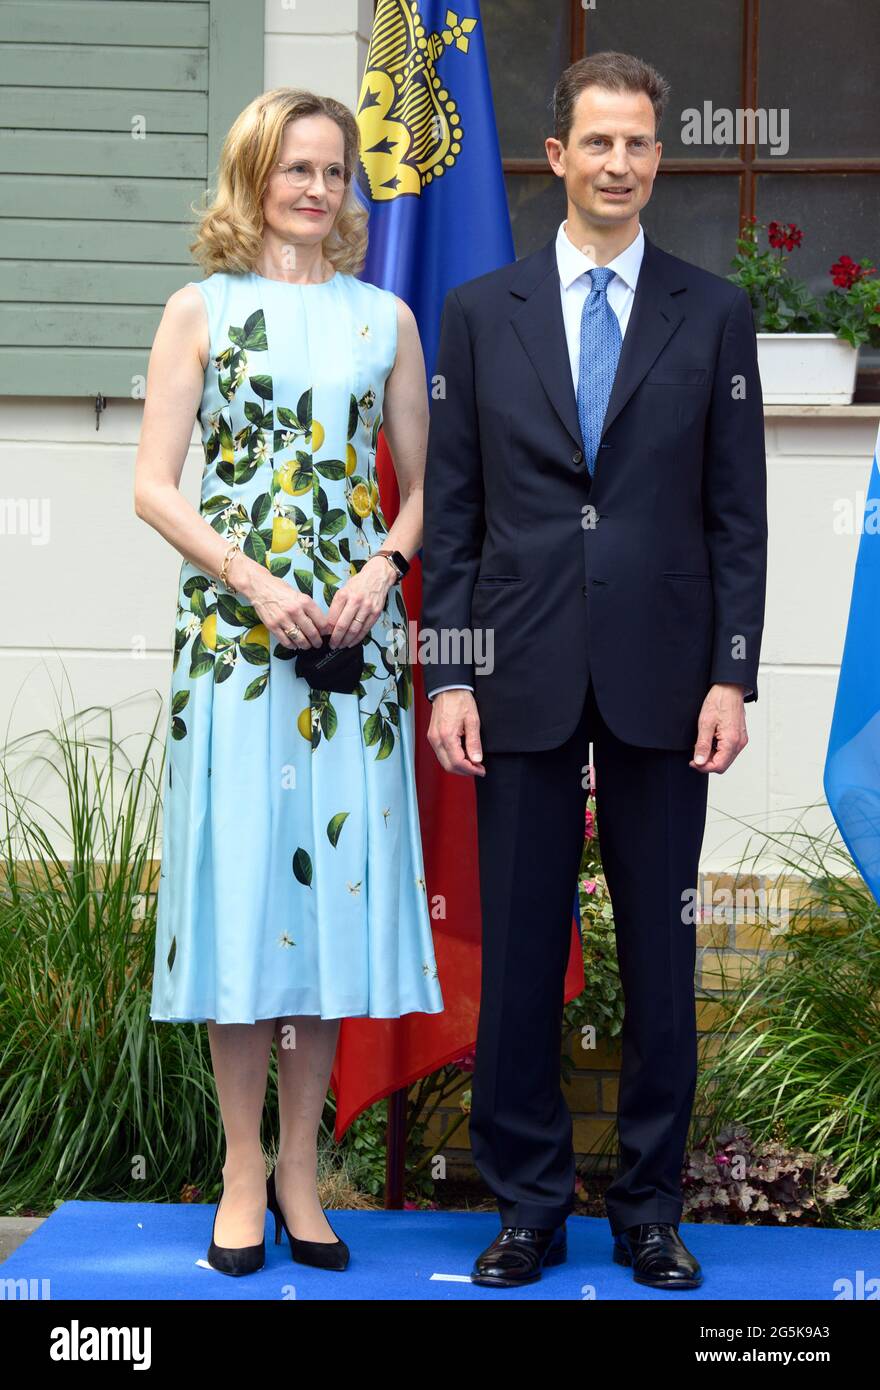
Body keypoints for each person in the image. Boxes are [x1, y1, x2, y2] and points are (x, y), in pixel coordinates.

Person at [421, 50, 767, 1290]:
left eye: (639, 144)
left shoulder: (712, 313)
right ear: (555, 157)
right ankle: (524, 1206)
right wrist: (446, 678)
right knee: (518, 952)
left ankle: (649, 1207)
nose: (618, 164)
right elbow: (450, 516)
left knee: (661, 954)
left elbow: (738, 515)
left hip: (667, 686)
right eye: (596, 143)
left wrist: (733, 675)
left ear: (656, 160)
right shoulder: (475, 313)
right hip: (510, 677)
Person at [134, 87, 442, 1276]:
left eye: (335, 171)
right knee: (243, 893)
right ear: (252, 176)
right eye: (295, 168)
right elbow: (154, 485)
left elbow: (423, 484)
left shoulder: (387, 320)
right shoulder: (198, 310)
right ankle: (242, 1171)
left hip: (352, 648)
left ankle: (308, 1173)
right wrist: (256, 584)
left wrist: (382, 566)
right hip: (234, 641)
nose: (318, 189)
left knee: (324, 906)